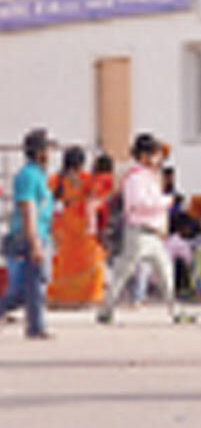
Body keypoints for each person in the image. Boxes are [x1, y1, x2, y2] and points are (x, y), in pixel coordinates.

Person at [98, 133, 195, 326]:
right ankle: (106, 310)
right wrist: (164, 202)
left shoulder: (151, 177)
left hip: (152, 234)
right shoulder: (135, 178)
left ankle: (175, 311)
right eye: (156, 154)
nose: (160, 159)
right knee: (123, 272)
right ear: (143, 156)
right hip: (138, 232)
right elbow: (138, 203)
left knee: (165, 271)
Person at [0, 129, 56, 339]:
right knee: (35, 283)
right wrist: (34, 242)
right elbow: (27, 209)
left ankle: (35, 325)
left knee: (34, 284)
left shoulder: (39, 175)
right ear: (40, 152)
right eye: (47, 149)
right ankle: (35, 326)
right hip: (28, 234)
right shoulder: (28, 176)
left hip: (40, 233)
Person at [47, 146, 107, 306]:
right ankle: (86, 297)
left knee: (67, 262)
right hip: (81, 224)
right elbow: (97, 198)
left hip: (66, 224)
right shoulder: (84, 179)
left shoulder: (57, 180)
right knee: (85, 260)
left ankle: (65, 297)